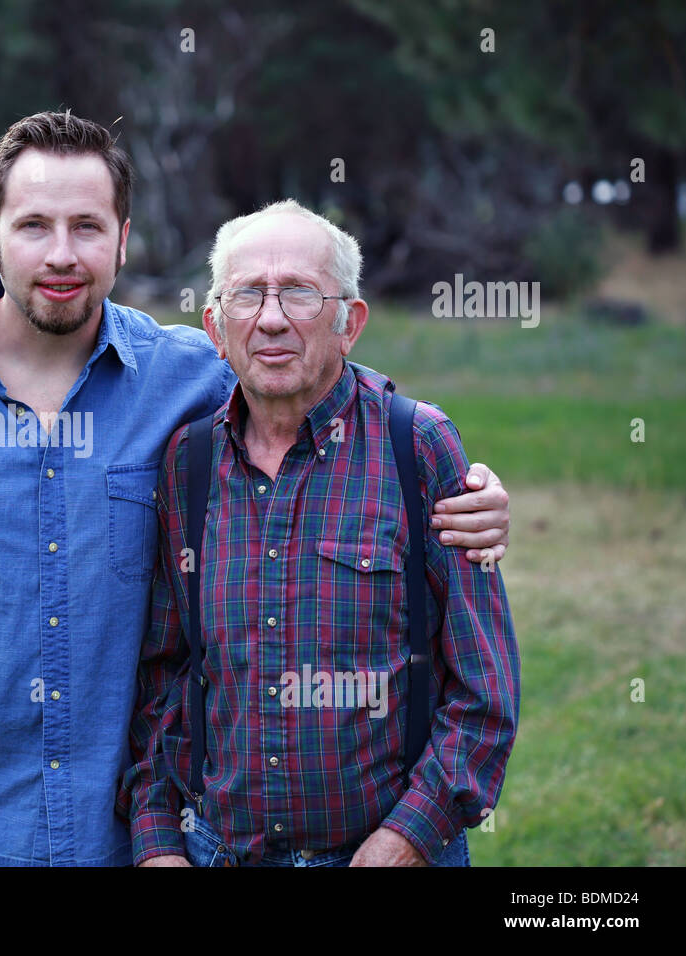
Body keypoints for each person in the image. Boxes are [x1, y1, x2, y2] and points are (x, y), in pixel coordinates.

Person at [0, 111, 512, 866]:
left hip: (121, 840)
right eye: (34, 226)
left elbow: (317, 393)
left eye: (87, 227)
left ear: (123, 239)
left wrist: (463, 481)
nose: (62, 254)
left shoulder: (190, 376)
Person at [119, 200, 520, 867]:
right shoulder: (186, 463)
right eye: (248, 295)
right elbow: (164, 680)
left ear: (349, 323)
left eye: (299, 294)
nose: (271, 319)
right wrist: (159, 844)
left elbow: (484, 691)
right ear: (217, 327)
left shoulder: (416, 446)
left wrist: (406, 841)